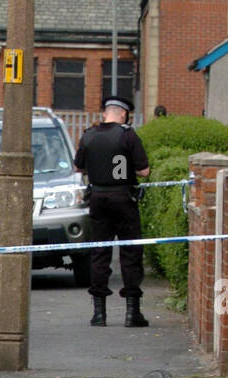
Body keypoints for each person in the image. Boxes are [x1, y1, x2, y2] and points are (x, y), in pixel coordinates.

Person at [73, 95, 151, 327]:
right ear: (124, 114)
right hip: (123, 199)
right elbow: (144, 171)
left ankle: (99, 313)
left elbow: (78, 167)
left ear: (105, 113)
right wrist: (124, 167)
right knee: (130, 253)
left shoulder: (88, 135)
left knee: (99, 253)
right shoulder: (127, 135)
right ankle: (132, 313)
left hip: (97, 199)